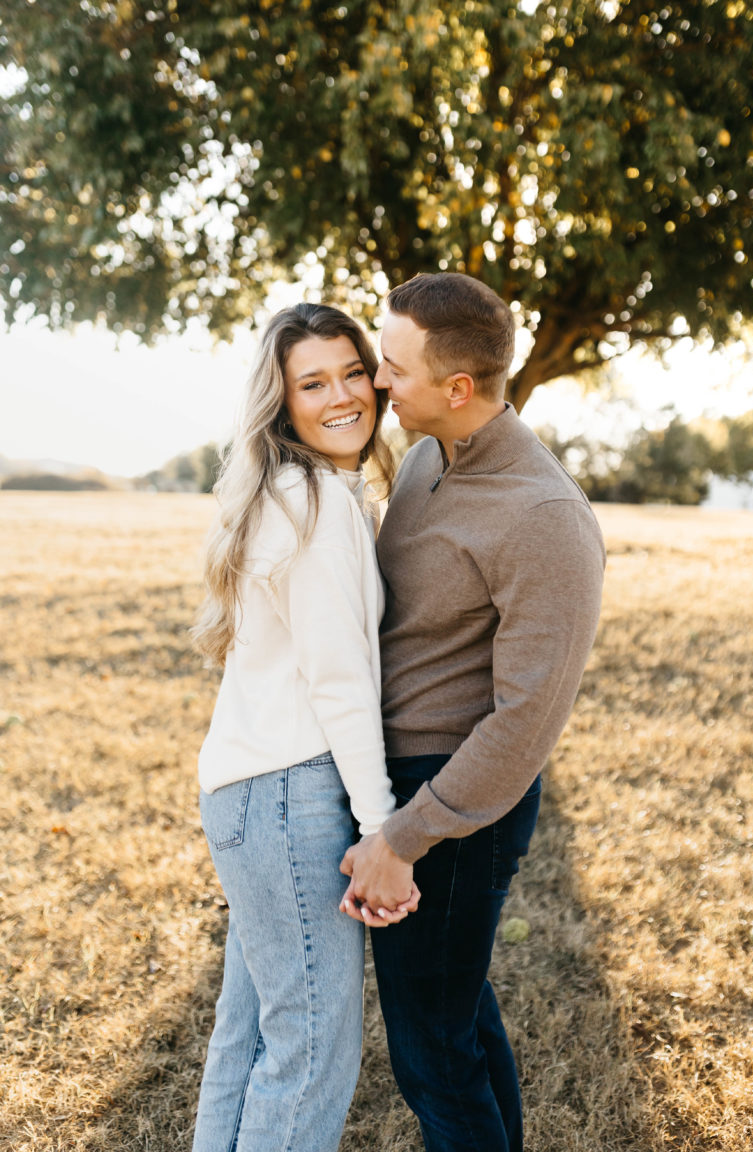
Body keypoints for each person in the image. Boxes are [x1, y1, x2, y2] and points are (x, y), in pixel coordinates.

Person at [340, 272, 606, 1152]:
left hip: (458, 807)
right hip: (404, 785)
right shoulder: (424, 458)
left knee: (431, 1053)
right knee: (458, 1019)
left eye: (393, 369)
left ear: (459, 389)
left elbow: (526, 722)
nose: (378, 383)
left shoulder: (544, 516)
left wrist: (404, 836)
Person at [190, 302, 418, 1152]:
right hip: (291, 795)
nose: (342, 396)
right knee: (311, 1048)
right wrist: (379, 828)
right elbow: (341, 684)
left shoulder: (293, 491)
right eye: (312, 383)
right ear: (283, 404)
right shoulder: (316, 500)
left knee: (250, 1038)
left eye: (354, 371)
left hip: (249, 796)